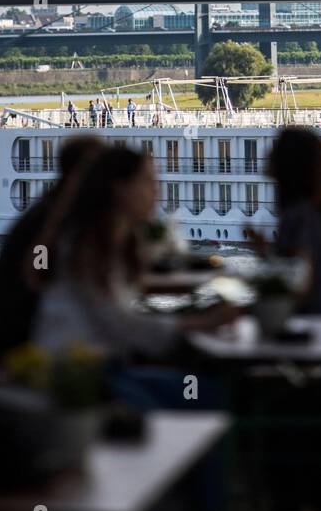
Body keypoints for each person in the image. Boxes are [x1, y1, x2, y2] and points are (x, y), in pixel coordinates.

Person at [33, 147, 233, 364]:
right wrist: (202, 322)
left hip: (87, 360)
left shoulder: (102, 241)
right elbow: (120, 324)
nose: (157, 192)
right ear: (121, 189)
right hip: (75, 368)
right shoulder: (88, 247)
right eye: (148, 182)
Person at [0, 135, 105, 360]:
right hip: (23, 341)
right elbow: (40, 274)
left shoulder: (51, 211)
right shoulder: (48, 221)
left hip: (21, 330)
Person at [261, 127, 321, 318]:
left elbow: (307, 284)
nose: (267, 156)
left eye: (275, 150)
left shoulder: (302, 214)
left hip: (315, 320)